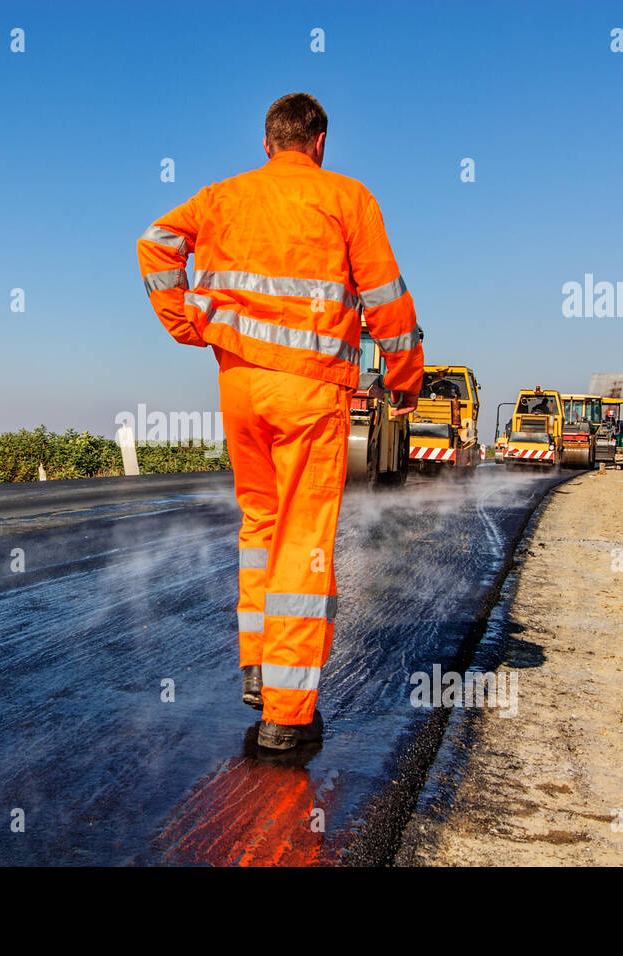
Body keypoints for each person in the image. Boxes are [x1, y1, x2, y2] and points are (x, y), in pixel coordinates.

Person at [136, 92, 423, 750]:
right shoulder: (347, 197)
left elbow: (154, 245)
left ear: (268, 144)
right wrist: (404, 382)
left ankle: (259, 668)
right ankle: (287, 717)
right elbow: (385, 299)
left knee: (261, 528)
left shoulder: (221, 197)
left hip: (238, 385)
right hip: (309, 392)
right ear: (319, 142)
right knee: (302, 540)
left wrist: (191, 324)